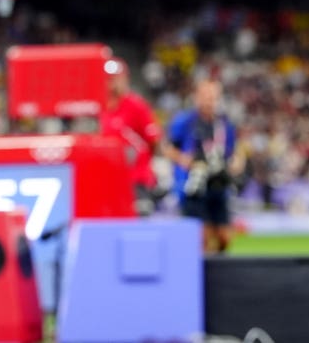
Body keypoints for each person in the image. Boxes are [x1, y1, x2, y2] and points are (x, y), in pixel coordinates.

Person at [163, 77, 241, 254]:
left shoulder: (224, 123)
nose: (209, 101)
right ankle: (201, 269)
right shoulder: (185, 121)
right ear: (197, 97)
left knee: (224, 237)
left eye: (213, 97)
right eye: (206, 96)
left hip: (218, 184)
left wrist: (236, 163)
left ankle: (219, 268)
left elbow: (233, 151)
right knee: (201, 237)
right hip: (194, 186)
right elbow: (168, 148)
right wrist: (185, 160)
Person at [98, 58, 163, 215]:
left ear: (125, 79)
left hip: (136, 180)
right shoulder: (99, 108)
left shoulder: (136, 105)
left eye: (116, 79)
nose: (112, 84)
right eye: (108, 79)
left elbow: (154, 140)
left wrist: (141, 162)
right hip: (109, 181)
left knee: (138, 221)